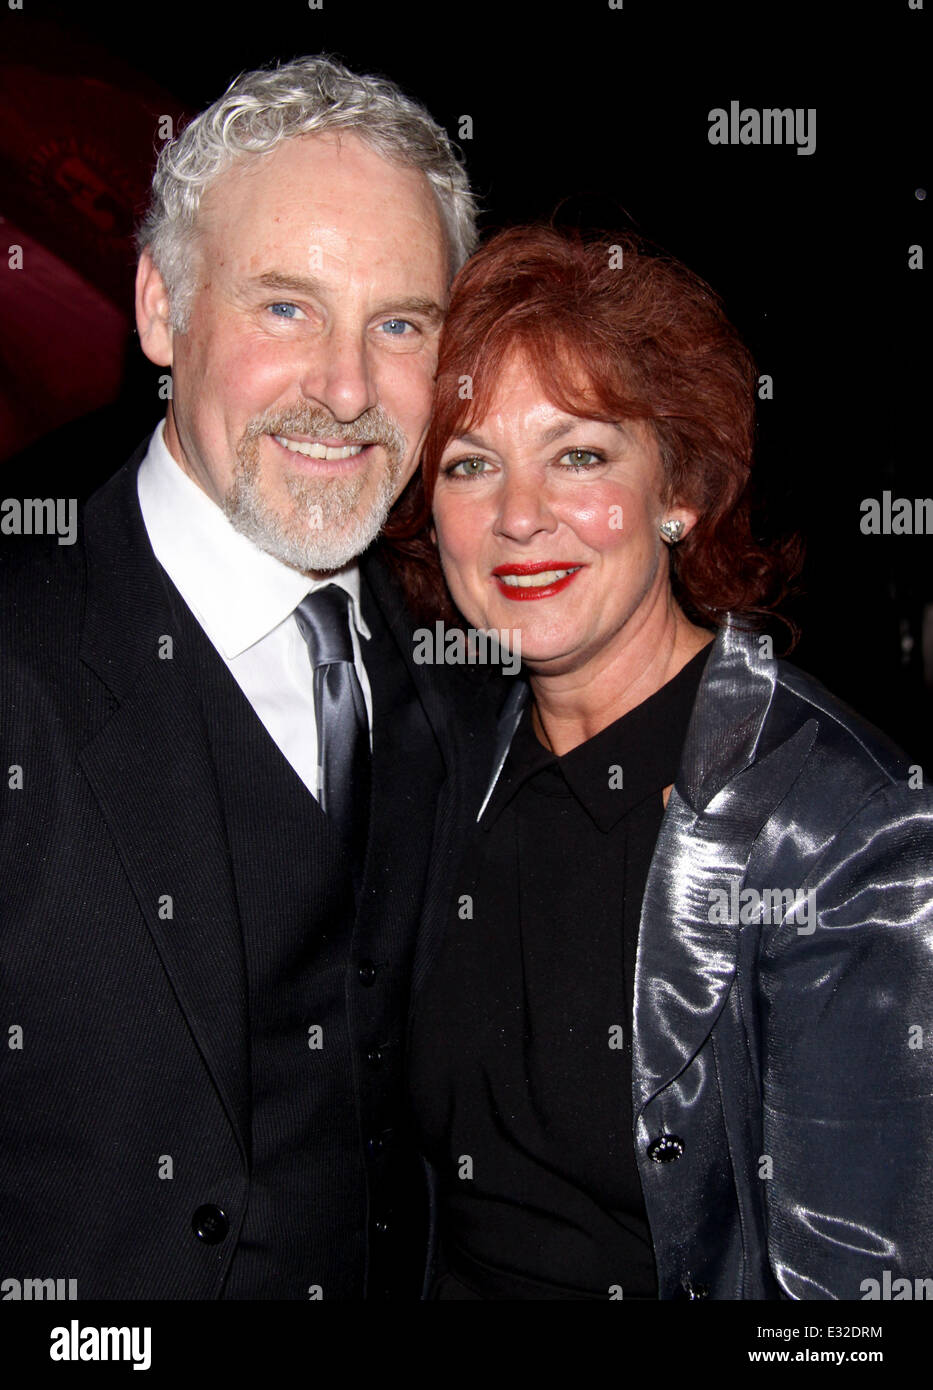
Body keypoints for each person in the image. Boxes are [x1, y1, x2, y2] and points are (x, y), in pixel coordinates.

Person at [0, 55, 503, 1300]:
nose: (345, 389)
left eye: (400, 323)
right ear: (163, 311)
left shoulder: (472, 670)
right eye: (286, 307)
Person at [398, 225, 933, 1300]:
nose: (519, 516)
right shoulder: (442, 765)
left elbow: (856, 1297)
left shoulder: (844, 829)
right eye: (471, 464)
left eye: (579, 454)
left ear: (678, 488)